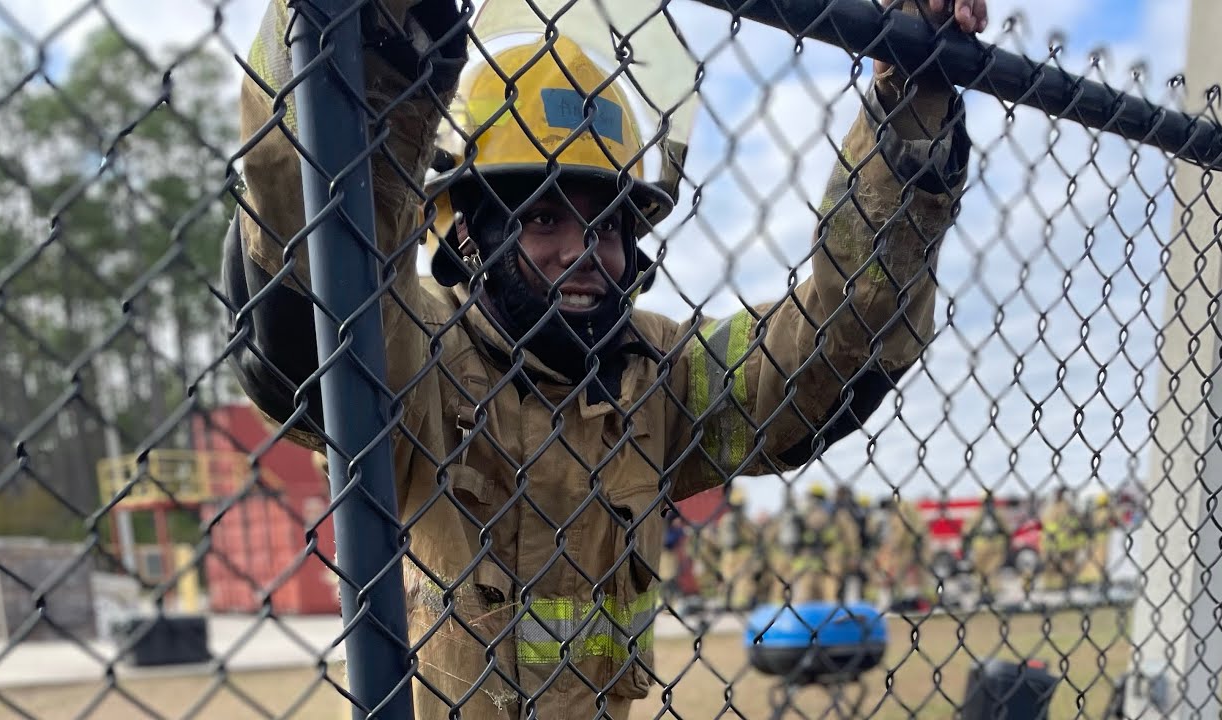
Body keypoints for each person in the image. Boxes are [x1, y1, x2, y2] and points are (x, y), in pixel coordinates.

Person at [224, 0, 984, 715]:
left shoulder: (657, 374)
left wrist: (912, 100)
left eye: (610, 224)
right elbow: (309, 268)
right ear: (464, 235)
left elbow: (838, 343)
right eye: (544, 216)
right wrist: (385, 28)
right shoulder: (413, 345)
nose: (586, 253)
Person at [875, 495, 929, 609]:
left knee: (899, 574)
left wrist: (893, 547)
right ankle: (918, 600)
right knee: (918, 575)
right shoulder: (911, 509)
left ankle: (902, 601)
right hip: (917, 545)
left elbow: (899, 531)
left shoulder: (899, 512)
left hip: (905, 548)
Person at [962, 491, 1009, 605]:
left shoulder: (980, 514)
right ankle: (986, 594)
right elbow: (1007, 531)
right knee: (983, 571)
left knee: (989, 571)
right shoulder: (993, 514)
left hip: (988, 546)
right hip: (986, 545)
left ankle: (989, 594)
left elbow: (967, 531)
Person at [1041, 487, 1083, 592]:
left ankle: (1063, 584)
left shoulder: (1063, 507)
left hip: (1063, 542)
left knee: (1065, 563)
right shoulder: (1053, 507)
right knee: (1052, 564)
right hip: (1054, 541)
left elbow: (1074, 522)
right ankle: (1052, 585)